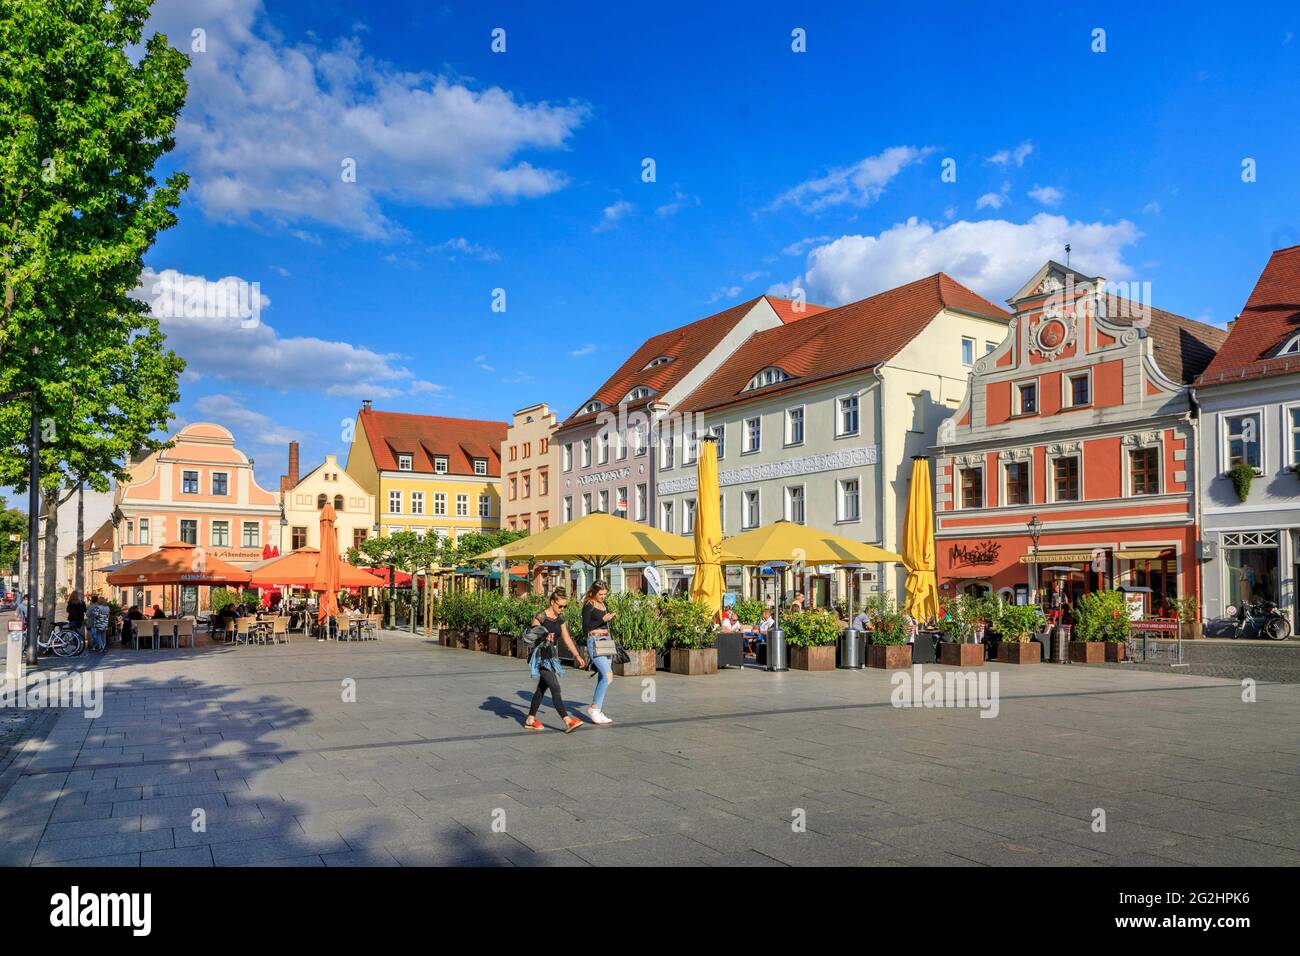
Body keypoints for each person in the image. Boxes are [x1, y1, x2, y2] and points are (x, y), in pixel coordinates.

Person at [524, 588, 585, 733]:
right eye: (560, 606)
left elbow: (567, 638)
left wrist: (577, 656)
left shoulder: (560, 619)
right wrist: (543, 635)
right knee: (555, 687)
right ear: (552, 602)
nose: (562, 609)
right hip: (540, 658)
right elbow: (532, 635)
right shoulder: (541, 617)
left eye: (565, 606)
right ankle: (568, 721)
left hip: (552, 657)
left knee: (541, 688)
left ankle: (530, 719)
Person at [581, 581, 616, 725]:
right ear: (593, 592)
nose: (603, 596)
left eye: (605, 594)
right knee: (608, 676)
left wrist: (609, 618)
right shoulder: (588, 605)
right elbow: (586, 627)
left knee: (603, 677)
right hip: (594, 641)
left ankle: (598, 709)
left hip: (606, 641)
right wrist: (603, 619)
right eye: (600, 594)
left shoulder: (604, 604)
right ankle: (594, 708)